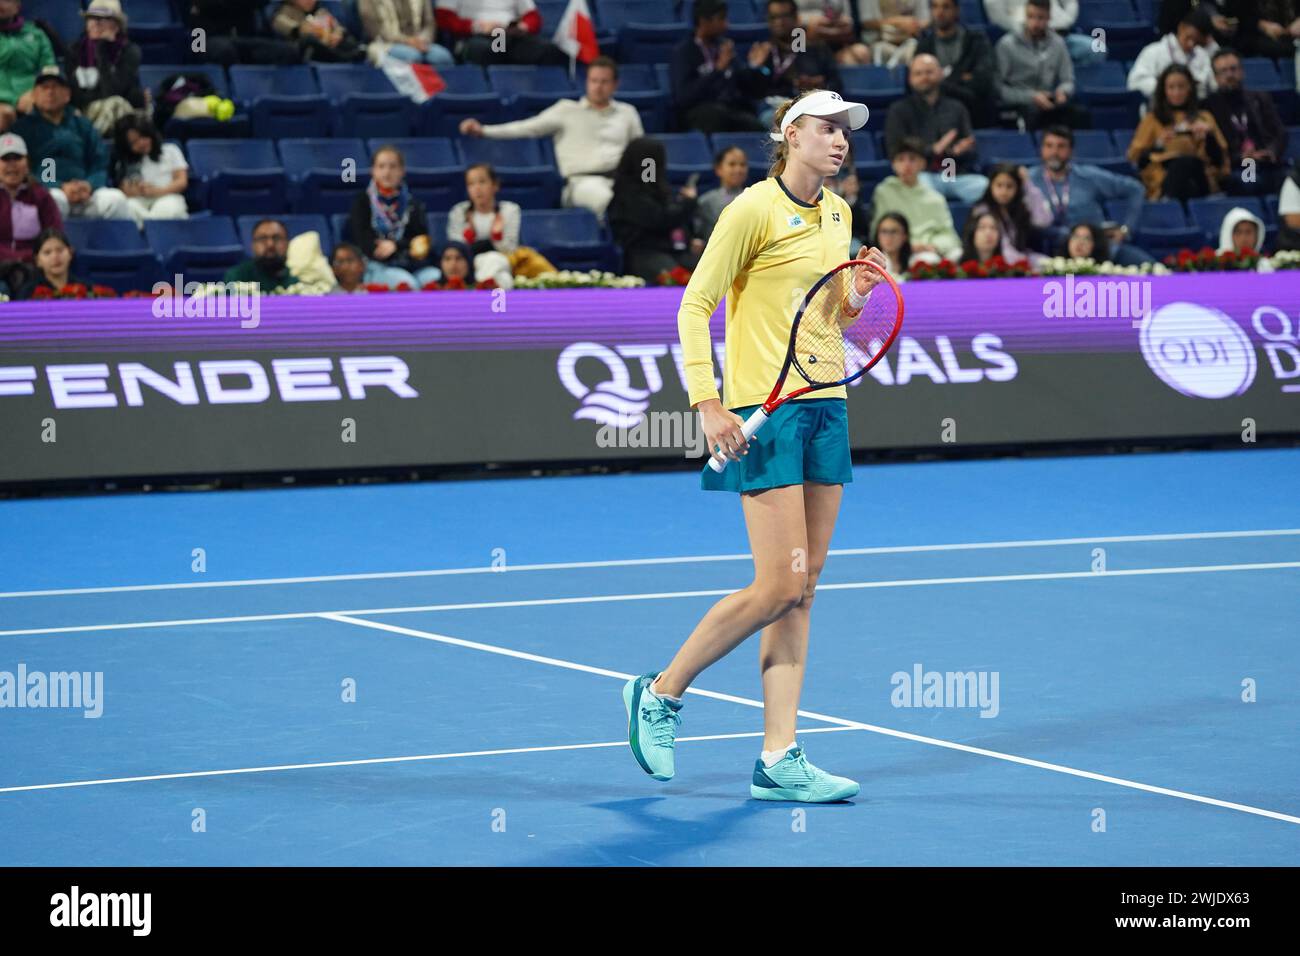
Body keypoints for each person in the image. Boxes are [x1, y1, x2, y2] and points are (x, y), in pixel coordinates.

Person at [629, 88, 883, 802]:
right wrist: (707, 401)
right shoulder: (750, 210)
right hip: (764, 413)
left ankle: (779, 758)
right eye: (828, 129)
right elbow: (695, 303)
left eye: (846, 132)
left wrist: (856, 295)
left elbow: (829, 315)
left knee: (801, 591)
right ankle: (660, 692)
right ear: (791, 133)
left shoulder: (838, 213)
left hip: (827, 404)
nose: (840, 141)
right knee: (775, 583)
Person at [459, 56, 642, 219]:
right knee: (608, 200)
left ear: (615, 84)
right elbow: (526, 128)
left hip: (623, 179)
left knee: (648, 201)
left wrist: (650, 180)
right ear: (586, 81)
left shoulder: (627, 113)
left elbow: (644, 153)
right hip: (581, 182)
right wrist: (484, 130)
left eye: (604, 82)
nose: (598, 87)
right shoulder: (566, 110)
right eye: (594, 81)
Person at [13, 65, 131, 223]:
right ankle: (53, 247)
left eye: (56, 87)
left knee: (116, 200)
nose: (50, 92)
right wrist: (60, 186)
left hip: (85, 194)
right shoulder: (22, 129)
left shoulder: (82, 125)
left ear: (67, 94)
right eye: (44, 87)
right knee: (52, 200)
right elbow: (21, 171)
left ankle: (113, 248)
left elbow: (100, 162)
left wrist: (89, 185)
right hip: (49, 191)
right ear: (34, 95)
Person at [1028, 125, 1154, 265]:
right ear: (1041, 149)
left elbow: (1136, 189)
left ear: (1071, 151)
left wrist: (1127, 229)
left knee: (1153, 269)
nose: (1054, 152)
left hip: (1097, 253)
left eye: (1061, 146)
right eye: (1049, 146)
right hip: (1045, 250)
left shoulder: (1089, 176)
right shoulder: (1028, 181)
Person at [885, 53, 987, 203]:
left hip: (953, 173)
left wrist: (961, 150)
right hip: (921, 174)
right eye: (918, 73)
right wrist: (933, 150)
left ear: (940, 74)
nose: (924, 77)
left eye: (929, 72)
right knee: (924, 189)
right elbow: (894, 149)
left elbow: (970, 145)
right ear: (910, 79)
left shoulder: (956, 108)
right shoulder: (899, 110)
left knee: (985, 187)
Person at [1127, 63, 1229, 200]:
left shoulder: (1204, 118)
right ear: (1164, 90)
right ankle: (1167, 200)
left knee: (1190, 164)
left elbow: (1220, 163)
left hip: (1200, 178)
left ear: (1190, 89)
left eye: (1181, 87)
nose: (1176, 93)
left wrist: (1209, 137)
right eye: (1171, 87)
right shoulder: (1151, 120)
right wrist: (1158, 145)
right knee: (1181, 164)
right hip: (1163, 179)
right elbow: (1136, 160)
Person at [607, 137, 700, 284]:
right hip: (645, 254)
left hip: (674, 251)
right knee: (679, 280)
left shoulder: (655, 188)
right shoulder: (629, 193)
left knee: (712, 276)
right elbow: (659, 219)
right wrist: (688, 203)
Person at [741, 0, 843, 128]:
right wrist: (755, 68)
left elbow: (837, 84)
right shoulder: (764, 50)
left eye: (784, 16)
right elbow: (752, 92)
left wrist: (819, 85)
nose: (779, 22)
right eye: (774, 17)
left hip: (810, 106)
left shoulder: (815, 49)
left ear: (796, 18)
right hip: (774, 107)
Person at [348, 144, 439, 288]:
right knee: (408, 284)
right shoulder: (362, 202)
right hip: (376, 265)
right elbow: (362, 241)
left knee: (436, 278)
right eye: (381, 166)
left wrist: (396, 245)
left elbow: (421, 239)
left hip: (410, 263)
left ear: (402, 171)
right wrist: (383, 248)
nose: (387, 172)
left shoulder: (412, 203)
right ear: (373, 171)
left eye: (393, 166)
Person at [670, 0, 766, 133]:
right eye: (721, 19)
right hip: (698, 111)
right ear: (704, 21)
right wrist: (718, 70)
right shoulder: (684, 52)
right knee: (716, 116)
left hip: (729, 109)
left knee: (756, 126)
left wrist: (753, 67)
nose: (726, 24)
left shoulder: (724, 47)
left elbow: (745, 85)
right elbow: (684, 96)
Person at [1204, 48, 1288, 196]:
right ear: (1216, 77)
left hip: (1266, 162)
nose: (1230, 75)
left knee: (1290, 185)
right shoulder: (1209, 106)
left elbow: (1280, 133)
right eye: (1223, 71)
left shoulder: (1260, 98)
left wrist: (1270, 151)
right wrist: (1241, 156)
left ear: (1242, 71)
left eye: (1233, 69)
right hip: (1238, 165)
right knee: (1250, 182)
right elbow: (1212, 146)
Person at [994, 0, 1086, 130]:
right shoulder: (1007, 45)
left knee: (1080, 114)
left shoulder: (1058, 44)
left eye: (1040, 18)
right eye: (1031, 17)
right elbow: (999, 89)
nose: (1035, 23)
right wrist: (1031, 97)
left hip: (1049, 101)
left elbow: (1068, 79)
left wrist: (1063, 92)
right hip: (1020, 104)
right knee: (1033, 114)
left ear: (1049, 17)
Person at [870, 135, 962, 261]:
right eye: (901, 159)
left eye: (912, 159)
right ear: (893, 164)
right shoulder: (883, 192)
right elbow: (877, 231)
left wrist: (933, 246)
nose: (906, 165)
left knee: (956, 254)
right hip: (894, 251)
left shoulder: (935, 199)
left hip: (928, 250)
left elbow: (949, 235)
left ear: (922, 163)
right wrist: (905, 246)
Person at [63, 0, 143, 137]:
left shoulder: (129, 51)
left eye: (105, 18)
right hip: (84, 112)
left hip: (121, 112)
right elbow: (74, 95)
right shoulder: (75, 50)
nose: (97, 22)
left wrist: (102, 50)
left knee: (116, 105)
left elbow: (112, 91)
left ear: (117, 26)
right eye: (92, 17)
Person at [915, 0, 997, 128]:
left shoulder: (976, 41)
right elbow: (919, 83)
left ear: (957, 10)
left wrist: (942, 82)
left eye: (946, 7)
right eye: (935, 7)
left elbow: (982, 80)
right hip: (935, 115)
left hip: (975, 112)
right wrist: (961, 77)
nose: (939, 12)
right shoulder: (924, 45)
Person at [434, 0, 569, 66]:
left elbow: (533, 17)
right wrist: (477, 27)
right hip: (477, 35)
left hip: (510, 34)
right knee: (493, 50)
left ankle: (540, 98)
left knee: (549, 50)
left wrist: (523, 27)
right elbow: (444, 18)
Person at [109, 113, 188, 225]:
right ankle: (149, 230)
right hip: (139, 200)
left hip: (168, 195)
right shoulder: (124, 161)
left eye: (143, 137)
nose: (141, 143)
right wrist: (133, 190)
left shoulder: (170, 150)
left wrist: (158, 191)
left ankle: (151, 230)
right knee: (128, 208)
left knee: (167, 209)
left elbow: (181, 181)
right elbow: (121, 189)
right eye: (134, 142)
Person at [0, 132, 61, 272]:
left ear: (27, 163)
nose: (12, 164)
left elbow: (54, 235)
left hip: (34, 267)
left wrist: (32, 258)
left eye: (17, 158)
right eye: (5, 159)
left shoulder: (41, 196)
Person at [1128, 9, 1219, 101]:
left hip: (1195, 109)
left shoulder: (1202, 55)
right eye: (1189, 37)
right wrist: (1169, 88)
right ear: (1181, 27)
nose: (1191, 44)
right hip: (1160, 109)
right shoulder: (1153, 51)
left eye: (1197, 42)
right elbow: (1136, 82)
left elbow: (1213, 85)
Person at [972, 163, 1051, 265]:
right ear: (991, 186)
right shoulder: (982, 210)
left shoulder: (1020, 208)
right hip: (994, 261)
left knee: (1048, 264)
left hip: (1021, 256)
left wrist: (1028, 184)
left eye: (1009, 186)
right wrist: (1021, 262)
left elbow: (1043, 221)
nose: (1004, 191)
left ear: (1017, 188)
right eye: (999, 185)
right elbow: (1004, 249)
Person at [186, 0, 303, 66]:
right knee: (224, 50)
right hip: (208, 39)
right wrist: (198, 50)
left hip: (245, 39)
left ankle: (279, 96)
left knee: (288, 52)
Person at [0, 0, 56, 133]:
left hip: (30, 94)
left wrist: (37, 93)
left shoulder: (36, 35)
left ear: (17, 6)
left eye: (6, 0)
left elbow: (50, 70)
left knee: (50, 108)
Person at [984, 0, 1096, 64]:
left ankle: (1066, 86)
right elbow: (996, 13)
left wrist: (1066, 20)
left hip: (1058, 33)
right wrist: (1022, 29)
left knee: (1093, 49)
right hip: (1022, 37)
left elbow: (1070, 2)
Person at [448, 163, 521, 255]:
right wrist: (470, 239)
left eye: (482, 182)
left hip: (500, 262)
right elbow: (457, 250)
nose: (477, 188)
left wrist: (496, 236)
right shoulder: (459, 211)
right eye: (471, 184)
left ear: (495, 185)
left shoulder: (509, 210)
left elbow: (510, 250)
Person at [361, 0, 455, 67]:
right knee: (413, 56)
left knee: (443, 57)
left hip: (420, 42)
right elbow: (376, 31)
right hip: (386, 44)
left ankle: (442, 94)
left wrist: (422, 40)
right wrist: (407, 41)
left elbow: (429, 23)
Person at [273, 0, 368, 64]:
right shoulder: (285, 12)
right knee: (309, 40)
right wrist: (300, 29)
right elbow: (281, 24)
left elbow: (338, 27)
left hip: (328, 45)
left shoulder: (321, 11)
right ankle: (345, 58)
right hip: (303, 51)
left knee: (347, 41)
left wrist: (337, 34)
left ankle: (357, 53)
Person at [693, 144, 749, 249]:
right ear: (719, 169)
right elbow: (698, 232)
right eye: (732, 164)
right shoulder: (706, 201)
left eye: (742, 165)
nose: (738, 169)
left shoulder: (756, 197)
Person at [223, 219, 301, 290]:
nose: (270, 244)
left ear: (287, 243)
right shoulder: (237, 276)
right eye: (262, 238)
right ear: (253, 245)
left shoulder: (300, 276)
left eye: (277, 238)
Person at [12, 227, 85, 298]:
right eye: (47, 252)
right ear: (38, 260)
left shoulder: (86, 289)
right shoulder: (27, 294)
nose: (55, 257)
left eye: (60, 250)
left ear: (70, 253)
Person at [856, 0, 931, 68]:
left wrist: (914, 25)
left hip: (911, 40)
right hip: (878, 41)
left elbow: (926, 20)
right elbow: (866, 21)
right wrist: (896, 22)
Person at [796, 0, 872, 64]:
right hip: (803, 42)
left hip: (835, 42)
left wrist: (840, 25)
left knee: (861, 52)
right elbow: (793, 18)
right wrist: (811, 23)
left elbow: (848, 22)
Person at [872, 210, 912, 275]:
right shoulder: (870, 266)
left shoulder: (915, 263)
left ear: (905, 236)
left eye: (894, 231)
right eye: (884, 231)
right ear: (877, 236)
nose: (889, 237)